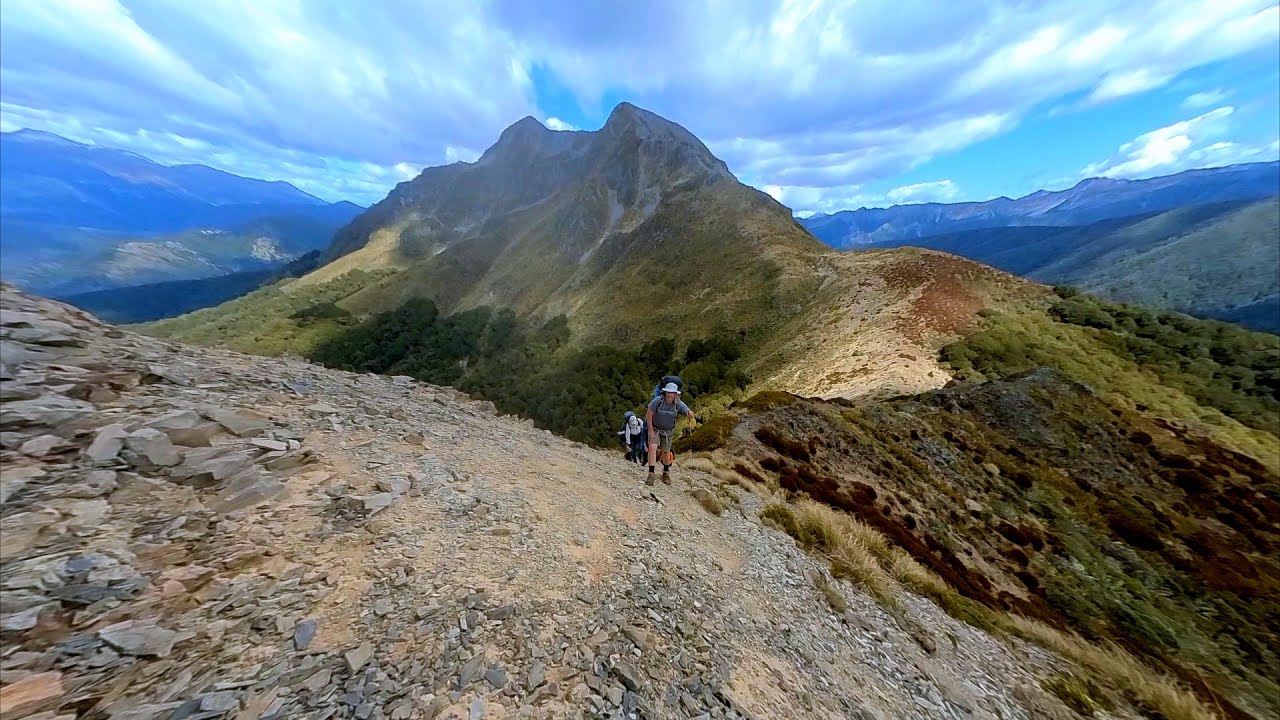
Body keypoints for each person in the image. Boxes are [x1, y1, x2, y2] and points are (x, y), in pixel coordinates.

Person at [646, 382, 695, 484]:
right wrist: (650, 431)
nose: (669, 394)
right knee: (652, 447)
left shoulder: (678, 403)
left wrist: (689, 413)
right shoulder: (657, 401)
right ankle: (651, 474)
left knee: (666, 452)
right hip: (656, 429)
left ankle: (666, 472)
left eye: (672, 393)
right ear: (665, 392)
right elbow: (649, 414)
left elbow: (686, 410)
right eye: (668, 392)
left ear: (675, 394)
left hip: (668, 432)